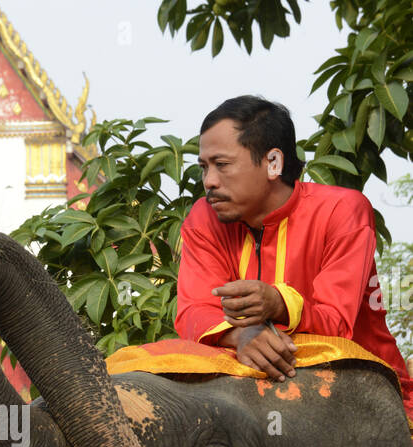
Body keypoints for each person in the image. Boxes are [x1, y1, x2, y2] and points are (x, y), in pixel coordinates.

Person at [175, 94, 413, 421]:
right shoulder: (204, 217)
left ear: (273, 163)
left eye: (222, 165)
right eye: (204, 167)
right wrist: (242, 335)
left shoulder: (343, 211)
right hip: (249, 391)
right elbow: (193, 311)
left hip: (363, 390)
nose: (209, 181)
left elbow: (335, 323)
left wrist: (278, 303)